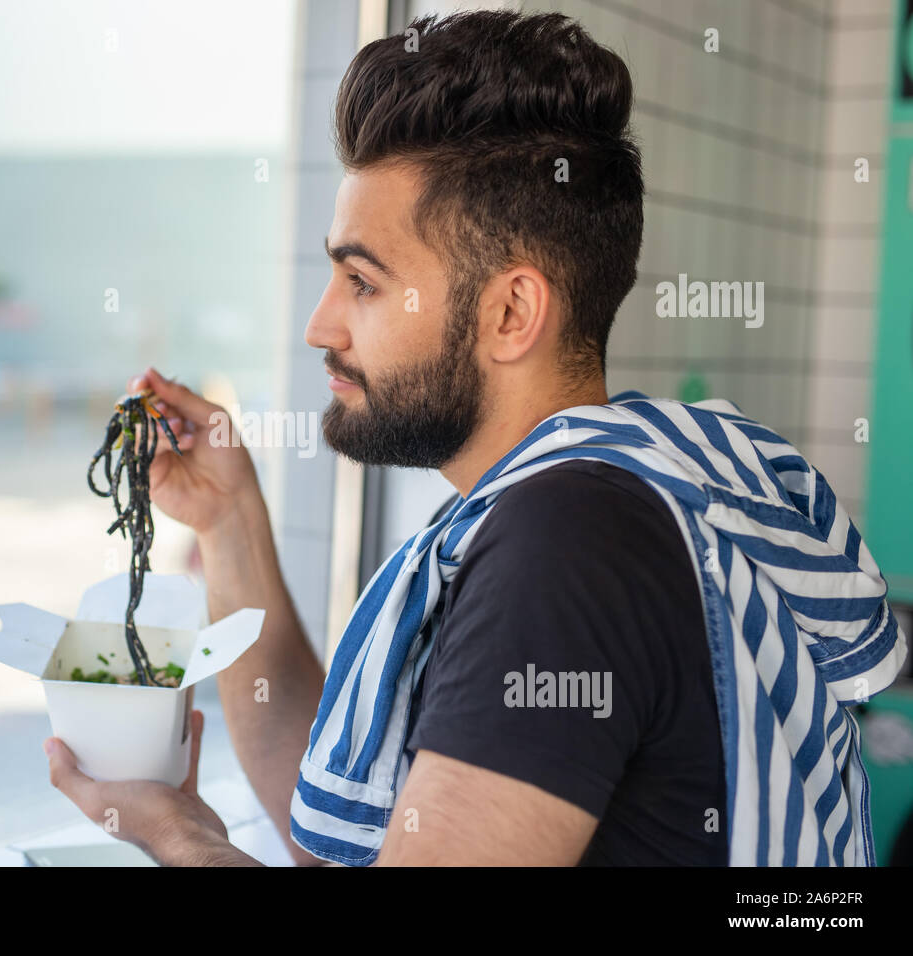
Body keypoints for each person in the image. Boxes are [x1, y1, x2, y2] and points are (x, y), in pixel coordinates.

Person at [44, 9, 908, 866]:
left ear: (510, 312)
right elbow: (374, 836)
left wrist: (181, 838)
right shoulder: (602, 494)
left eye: (362, 282)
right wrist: (230, 522)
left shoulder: (569, 547)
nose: (321, 325)